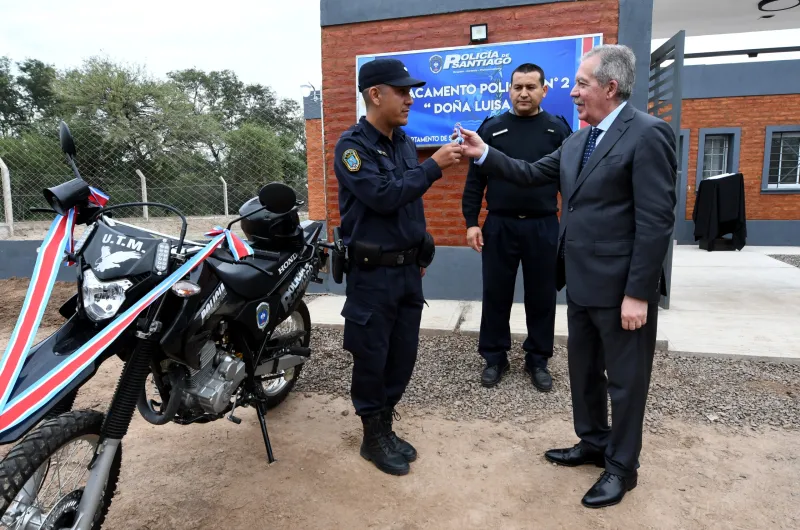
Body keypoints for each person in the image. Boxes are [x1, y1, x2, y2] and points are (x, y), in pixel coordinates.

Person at [457, 44, 677, 508]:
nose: (573, 92)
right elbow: (529, 171)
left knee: (625, 381)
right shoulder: (578, 140)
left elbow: (656, 221)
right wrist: (483, 154)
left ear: (610, 87)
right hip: (580, 283)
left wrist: (639, 293)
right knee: (584, 374)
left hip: (621, 291)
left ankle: (622, 467)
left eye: (581, 84)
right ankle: (594, 443)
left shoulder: (648, 134)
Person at [333, 58, 462, 476]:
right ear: (375, 94)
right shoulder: (352, 148)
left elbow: (409, 207)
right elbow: (384, 195)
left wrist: (419, 249)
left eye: (411, 91)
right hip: (372, 276)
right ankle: (372, 437)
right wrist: (434, 166)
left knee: (402, 355)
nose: (410, 98)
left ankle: (386, 427)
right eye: (402, 91)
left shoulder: (403, 142)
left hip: (407, 271)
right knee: (372, 355)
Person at [461, 63, 571, 391]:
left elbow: (571, 182)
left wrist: (569, 227)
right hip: (499, 226)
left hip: (543, 227)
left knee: (542, 297)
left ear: (544, 90)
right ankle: (495, 357)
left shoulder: (558, 130)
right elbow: (474, 181)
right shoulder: (492, 129)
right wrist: (471, 223)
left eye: (531, 87)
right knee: (496, 294)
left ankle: (538, 359)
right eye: (518, 87)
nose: (524, 93)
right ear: (509, 90)